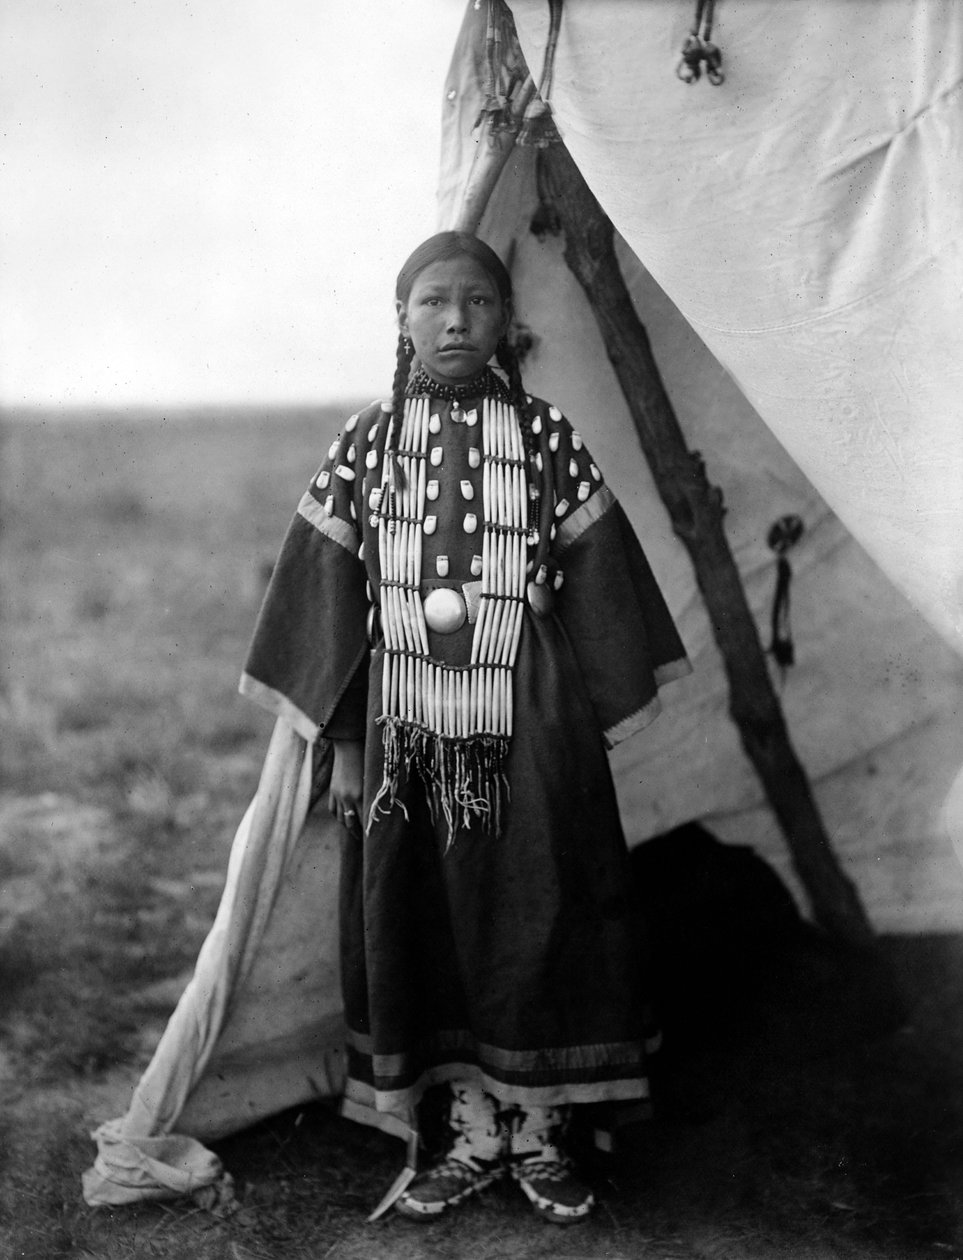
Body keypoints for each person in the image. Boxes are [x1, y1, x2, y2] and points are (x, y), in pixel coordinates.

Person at [240, 231, 691, 1225]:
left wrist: (576, 729)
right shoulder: (365, 443)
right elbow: (326, 604)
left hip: (528, 719)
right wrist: (351, 744)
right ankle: (470, 1125)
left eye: (478, 302)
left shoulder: (546, 437)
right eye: (434, 302)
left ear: (506, 322)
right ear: (400, 320)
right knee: (427, 913)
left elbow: (605, 588)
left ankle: (544, 1129)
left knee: (540, 903)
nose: (456, 320)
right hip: (403, 727)